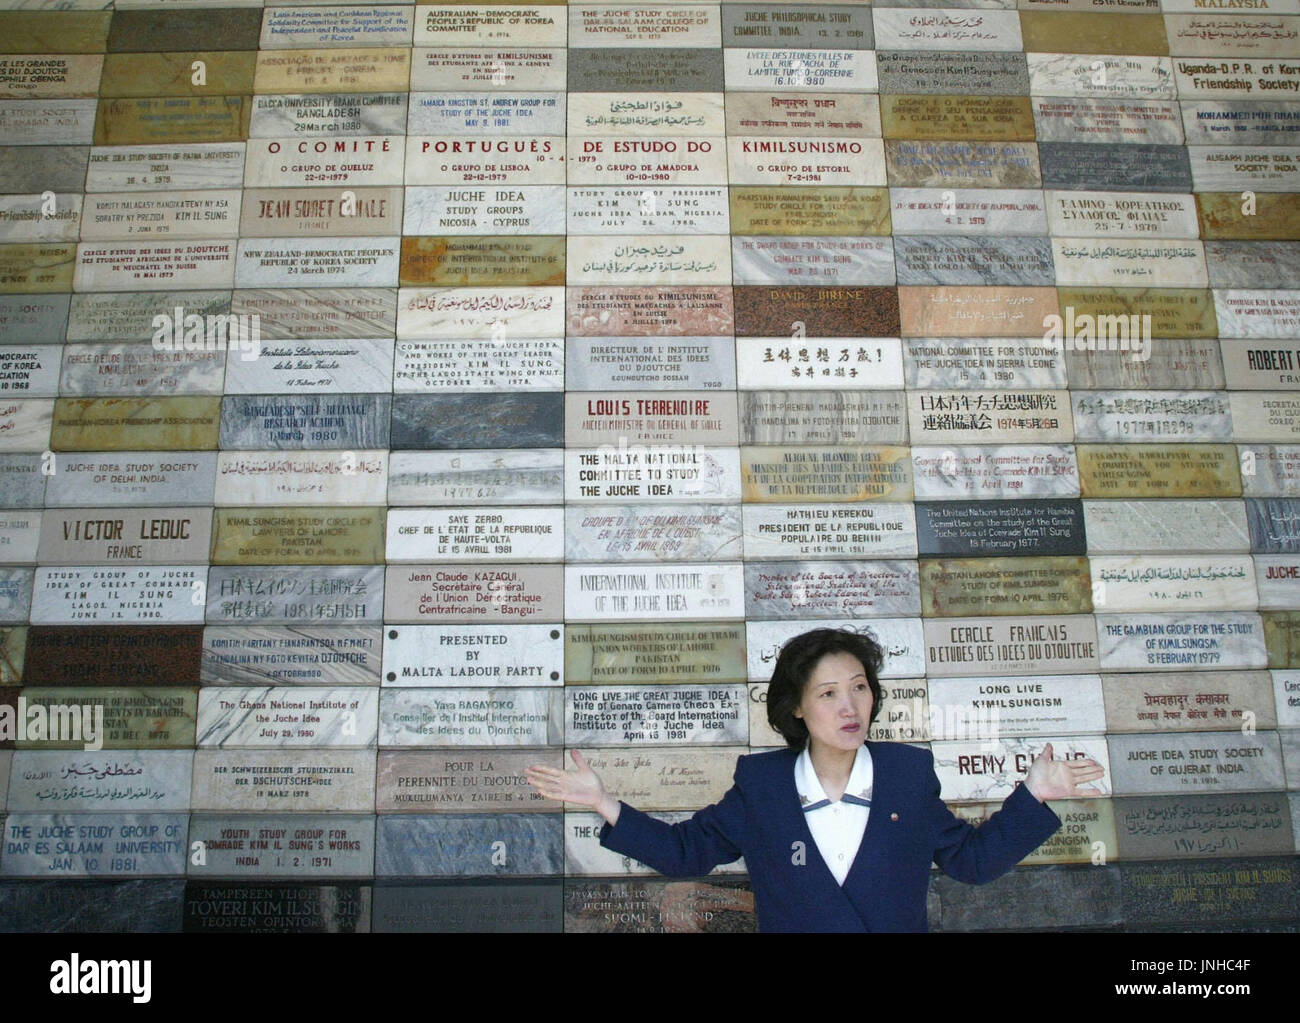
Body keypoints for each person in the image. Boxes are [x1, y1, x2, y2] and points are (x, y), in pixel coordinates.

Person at [526, 627, 1107, 932]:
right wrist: (604, 803)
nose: (850, 705)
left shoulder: (907, 773)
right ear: (798, 708)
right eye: (828, 693)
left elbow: (970, 863)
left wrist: (1034, 795)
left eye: (859, 686)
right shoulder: (762, 784)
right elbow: (686, 853)